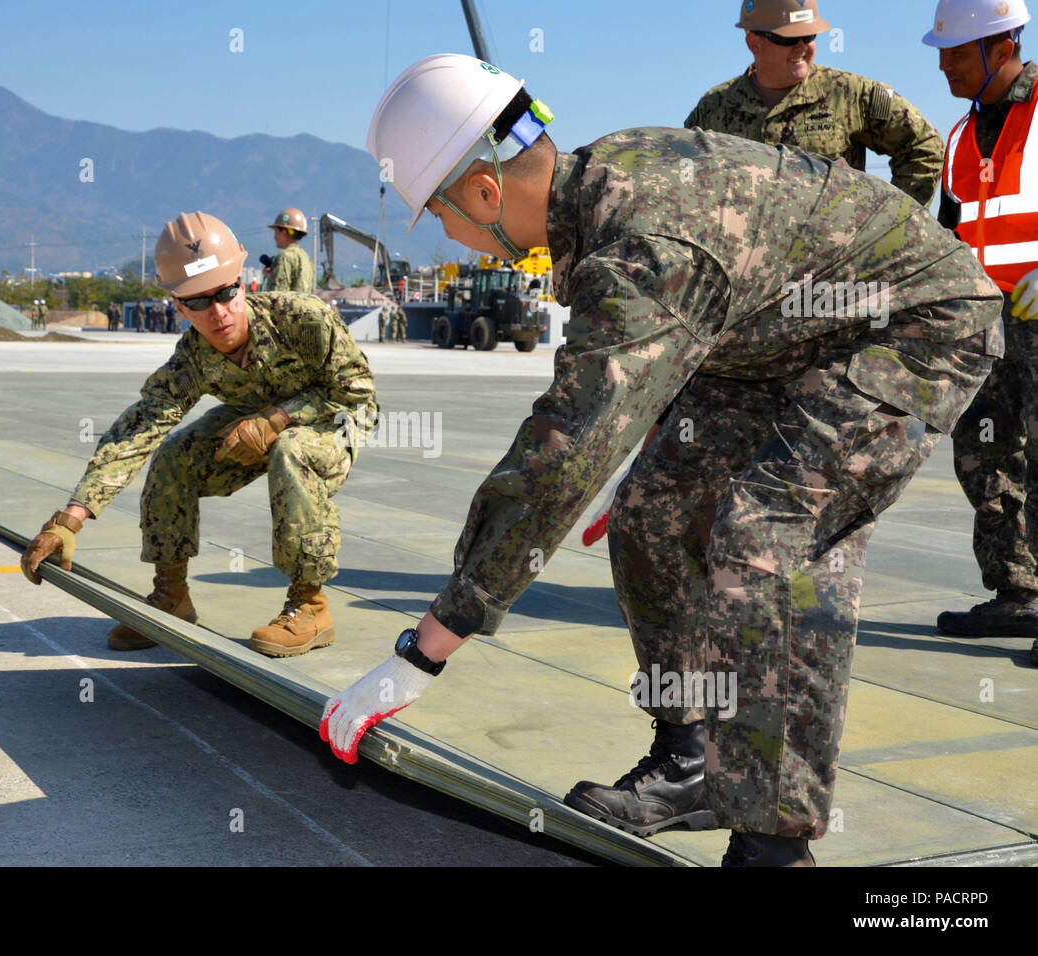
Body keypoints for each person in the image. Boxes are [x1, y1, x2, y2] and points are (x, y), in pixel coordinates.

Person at [320, 54, 1002, 866]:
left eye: (439, 215)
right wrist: (657, 438)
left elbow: (560, 456)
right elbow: (706, 313)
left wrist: (425, 651)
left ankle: (774, 840)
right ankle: (692, 761)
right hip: (788, 335)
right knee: (652, 512)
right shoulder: (608, 179)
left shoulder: (641, 245)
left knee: (766, 543)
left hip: (916, 323)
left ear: (485, 193)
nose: (450, 236)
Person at [21, 212, 377, 657]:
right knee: (173, 456)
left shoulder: (302, 317)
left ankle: (310, 604)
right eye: (200, 302)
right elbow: (139, 429)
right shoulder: (192, 358)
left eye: (227, 293)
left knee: (292, 450)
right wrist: (70, 519)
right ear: (179, 307)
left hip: (336, 415)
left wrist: (275, 420)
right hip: (253, 419)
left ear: (243, 285)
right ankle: (172, 595)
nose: (220, 312)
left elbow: (356, 390)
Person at [925, 0, 1038, 666]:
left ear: (1000, 48)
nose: (943, 65)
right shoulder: (961, 137)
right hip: (983, 328)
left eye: (955, 52)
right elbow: (947, 236)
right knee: (984, 459)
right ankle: (1016, 590)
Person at [687, 0, 945, 204]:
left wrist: (890, 225)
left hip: (830, 267)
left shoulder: (850, 94)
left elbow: (925, 145)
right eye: (788, 38)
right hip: (744, 267)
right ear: (754, 42)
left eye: (809, 36)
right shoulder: (714, 109)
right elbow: (685, 176)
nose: (802, 46)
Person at [260, 208, 315, 292]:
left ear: (284, 232)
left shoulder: (285, 257)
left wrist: (272, 279)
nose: (274, 237)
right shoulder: (306, 257)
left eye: (276, 232)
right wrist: (272, 276)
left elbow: (278, 295)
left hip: (289, 305)